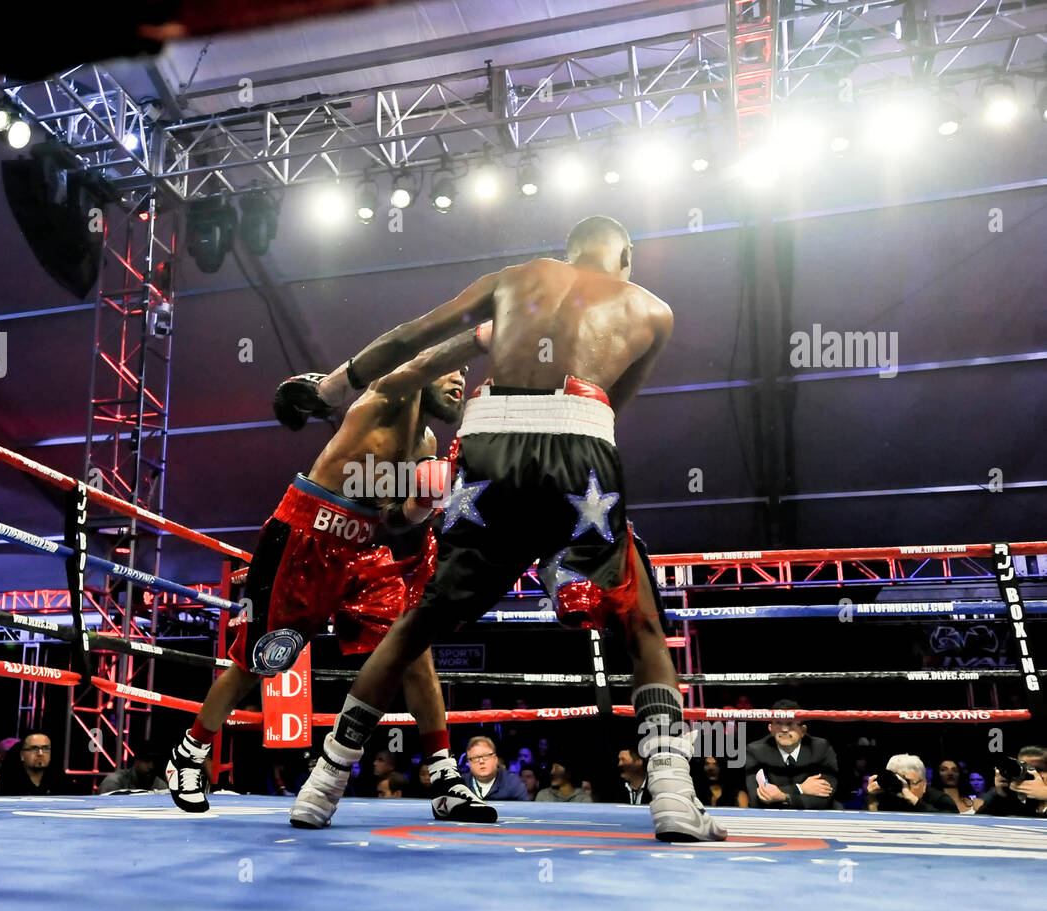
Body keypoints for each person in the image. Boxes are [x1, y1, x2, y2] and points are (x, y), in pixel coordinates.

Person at [284, 215, 722, 840]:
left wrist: (328, 391)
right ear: (625, 257)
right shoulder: (653, 311)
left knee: (422, 618)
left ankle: (322, 785)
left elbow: (410, 340)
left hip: (488, 446)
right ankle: (674, 799)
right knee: (640, 617)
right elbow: (608, 408)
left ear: (565, 252)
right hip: (581, 441)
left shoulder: (516, 280)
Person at [169, 331, 495, 827]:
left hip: (362, 549)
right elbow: (419, 351)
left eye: (466, 373)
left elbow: (396, 516)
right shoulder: (390, 389)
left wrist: (424, 502)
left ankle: (445, 777)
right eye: (453, 369)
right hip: (306, 534)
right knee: (263, 657)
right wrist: (478, 336)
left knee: (411, 645)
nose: (460, 377)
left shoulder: (426, 443)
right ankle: (191, 752)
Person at [743, 715, 838, 810]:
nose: (784, 729)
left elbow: (824, 800)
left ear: (803, 730)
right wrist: (800, 788)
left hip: (815, 817)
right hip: (773, 818)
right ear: (771, 729)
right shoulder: (755, 750)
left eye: (790, 723)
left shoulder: (820, 748)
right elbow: (757, 799)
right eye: (779, 723)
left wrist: (783, 797)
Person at [866, 754, 959, 813]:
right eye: (900, 782)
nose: (904, 787)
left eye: (909, 783)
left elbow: (956, 823)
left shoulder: (940, 799)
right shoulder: (889, 795)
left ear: (924, 783)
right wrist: (872, 798)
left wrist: (913, 800)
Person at [463, 735, 530, 801]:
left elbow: (525, 810)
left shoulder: (513, 783)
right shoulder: (459, 784)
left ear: (495, 759)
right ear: (469, 762)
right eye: (475, 758)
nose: (481, 761)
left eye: (486, 756)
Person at [0, 731, 65, 795]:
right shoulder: (8, 784)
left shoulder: (60, 783)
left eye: (45, 748)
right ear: (22, 755)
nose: (40, 753)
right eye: (34, 748)